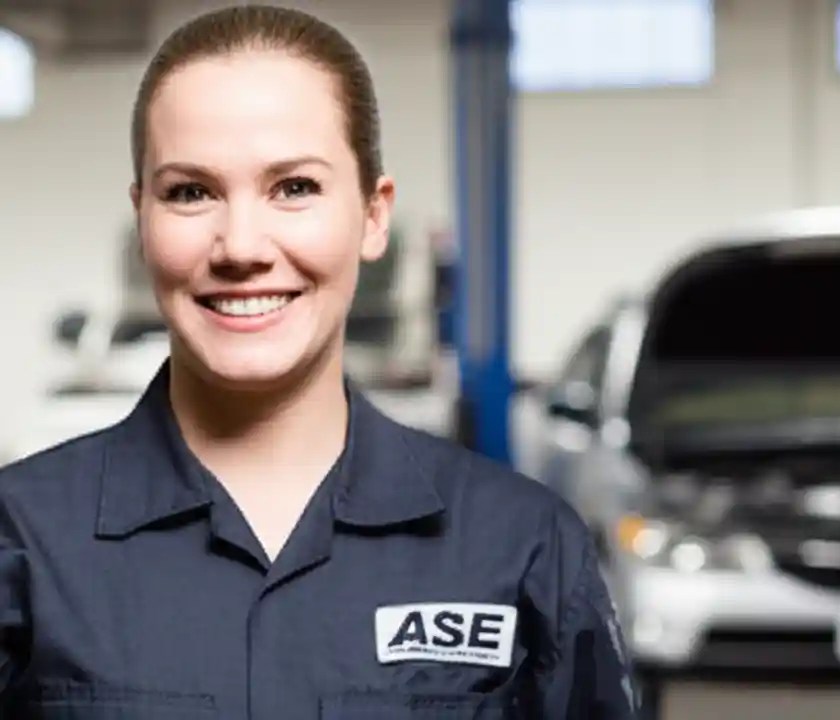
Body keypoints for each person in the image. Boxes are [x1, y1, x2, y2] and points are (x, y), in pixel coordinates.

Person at [0, 5, 638, 718]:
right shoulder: (21, 539)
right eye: (191, 192)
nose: (242, 246)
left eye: (294, 188)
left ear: (373, 215)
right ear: (143, 218)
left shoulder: (522, 545)